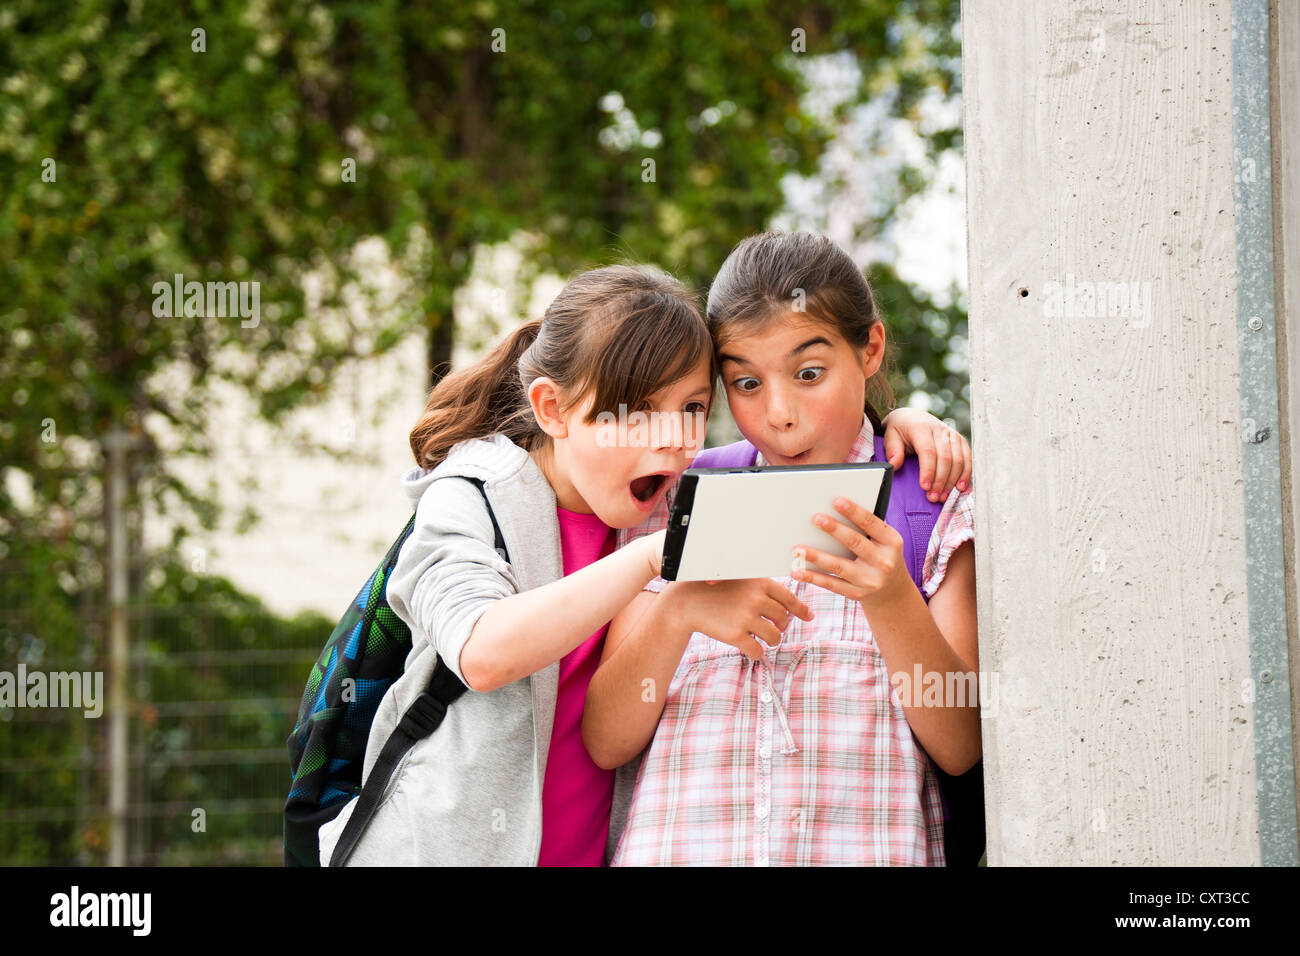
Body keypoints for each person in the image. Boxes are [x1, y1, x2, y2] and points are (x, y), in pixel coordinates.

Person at [320, 260, 967, 866]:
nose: (671, 440)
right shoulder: (477, 501)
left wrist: (900, 421)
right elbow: (486, 653)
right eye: (633, 413)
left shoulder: (658, 497)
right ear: (552, 408)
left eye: (690, 410)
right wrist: (664, 569)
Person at [585, 233, 978, 866]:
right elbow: (606, 739)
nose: (780, 413)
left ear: (869, 348)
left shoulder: (930, 502)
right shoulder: (681, 495)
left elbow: (961, 745)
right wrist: (679, 610)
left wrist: (891, 598)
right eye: (744, 383)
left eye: (809, 374)